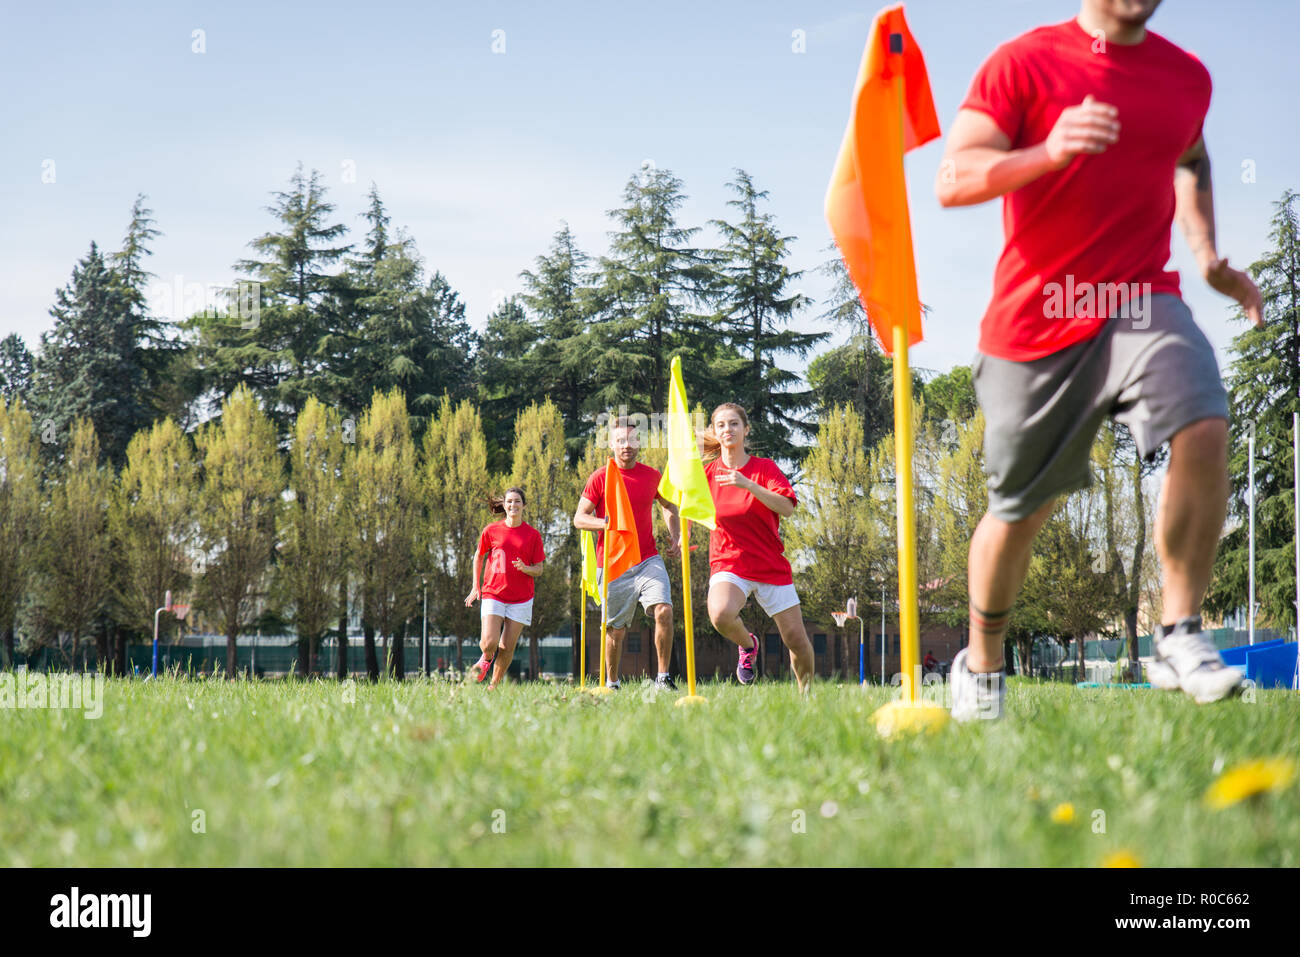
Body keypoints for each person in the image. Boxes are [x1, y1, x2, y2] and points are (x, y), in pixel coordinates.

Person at [935, 0, 1264, 720]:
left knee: (1203, 418)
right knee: (1020, 510)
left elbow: (1192, 155)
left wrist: (1205, 252)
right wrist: (1047, 152)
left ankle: (1177, 629)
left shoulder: (1185, 77)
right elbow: (952, 176)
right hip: (1037, 320)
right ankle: (982, 660)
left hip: (1140, 298)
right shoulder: (1023, 62)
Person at [701, 403, 815, 692]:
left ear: (746, 429)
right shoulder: (706, 474)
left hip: (769, 565)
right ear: (715, 431)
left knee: (796, 640)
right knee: (720, 614)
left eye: (734, 424)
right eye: (721, 425)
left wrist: (748, 484)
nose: (728, 429)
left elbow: (787, 508)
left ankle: (807, 697)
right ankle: (748, 645)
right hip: (730, 562)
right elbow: (671, 496)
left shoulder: (764, 468)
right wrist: (676, 531)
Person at [574, 417, 681, 690]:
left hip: (647, 558)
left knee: (664, 610)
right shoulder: (600, 477)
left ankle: (663, 678)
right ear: (612, 444)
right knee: (617, 631)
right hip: (612, 563)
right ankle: (612, 683)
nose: (627, 446)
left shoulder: (652, 475)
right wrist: (606, 524)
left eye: (632, 440)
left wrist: (676, 535)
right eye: (621, 441)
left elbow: (669, 505)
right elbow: (580, 518)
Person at [465, 487, 545, 689]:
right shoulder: (491, 530)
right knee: (489, 643)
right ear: (504, 505)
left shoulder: (532, 535)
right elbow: (479, 556)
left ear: (523, 505)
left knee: (507, 646)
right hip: (494, 593)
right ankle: (485, 658)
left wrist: (526, 568)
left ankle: (494, 685)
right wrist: (476, 586)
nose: (513, 505)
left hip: (521, 598)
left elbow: (539, 569)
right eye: (509, 501)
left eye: (517, 501)